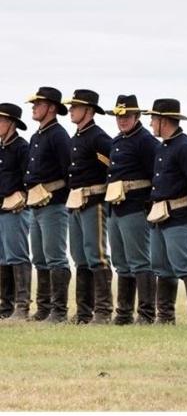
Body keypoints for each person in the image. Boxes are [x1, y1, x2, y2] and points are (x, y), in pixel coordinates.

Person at [144, 99, 187, 324]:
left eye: (153, 119)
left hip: (180, 216)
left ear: (163, 120)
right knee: (161, 266)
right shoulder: (163, 146)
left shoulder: (185, 148)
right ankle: (165, 316)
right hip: (159, 216)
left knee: (186, 265)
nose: (151, 123)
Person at [103, 95, 158, 325]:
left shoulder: (145, 141)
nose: (121, 120)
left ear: (137, 116)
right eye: (119, 116)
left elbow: (155, 173)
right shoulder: (118, 141)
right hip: (115, 207)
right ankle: (124, 312)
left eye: (126, 116)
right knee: (121, 261)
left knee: (140, 261)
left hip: (135, 206)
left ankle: (145, 313)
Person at [64, 89, 114, 324]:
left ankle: (103, 311)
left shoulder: (97, 137)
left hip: (94, 202)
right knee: (80, 256)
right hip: (76, 202)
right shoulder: (77, 137)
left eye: (75, 106)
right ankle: (84, 312)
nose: (71, 110)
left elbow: (115, 166)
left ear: (89, 110)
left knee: (97, 255)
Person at [23, 87, 72, 323]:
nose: (33, 107)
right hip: (36, 204)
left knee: (55, 257)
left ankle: (58, 311)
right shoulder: (37, 136)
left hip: (54, 204)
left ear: (51, 107)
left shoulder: (58, 135)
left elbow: (68, 172)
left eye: (38, 104)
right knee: (40, 258)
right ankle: (43, 308)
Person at [0, 103, 31, 320]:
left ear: (11, 123)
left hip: (16, 207)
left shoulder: (22, 147)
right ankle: (5, 306)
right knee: (2, 257)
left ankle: (22, 306)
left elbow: (28, 178)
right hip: (1, 207)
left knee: (17, 255)